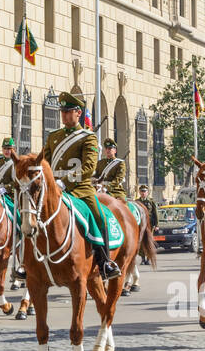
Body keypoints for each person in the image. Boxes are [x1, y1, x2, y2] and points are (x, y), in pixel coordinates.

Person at [43, 93, 121, 279]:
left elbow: (88, 167)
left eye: (68, 111)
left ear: (78, 113)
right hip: (54, 187)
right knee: (29, 215)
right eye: (62, 111)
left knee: (98, 216)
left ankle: (104, 262)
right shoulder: (54, 136)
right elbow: (45, 162)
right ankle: (26, 262)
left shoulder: (88, 137)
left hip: (79, 189)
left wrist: (66, 181)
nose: (64, 115)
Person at [136, 184, 158, 265]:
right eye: (141, 191)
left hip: (150, 225)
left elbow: (155, 213)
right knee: (141, 242)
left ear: (147, 192)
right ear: (139, 192)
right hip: (140, 224)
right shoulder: (137, 202)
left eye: (144, 191)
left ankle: (149, 258)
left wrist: (157, 225)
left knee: (149, 241)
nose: (143, 193)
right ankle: (142, 259)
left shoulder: (151, 202)